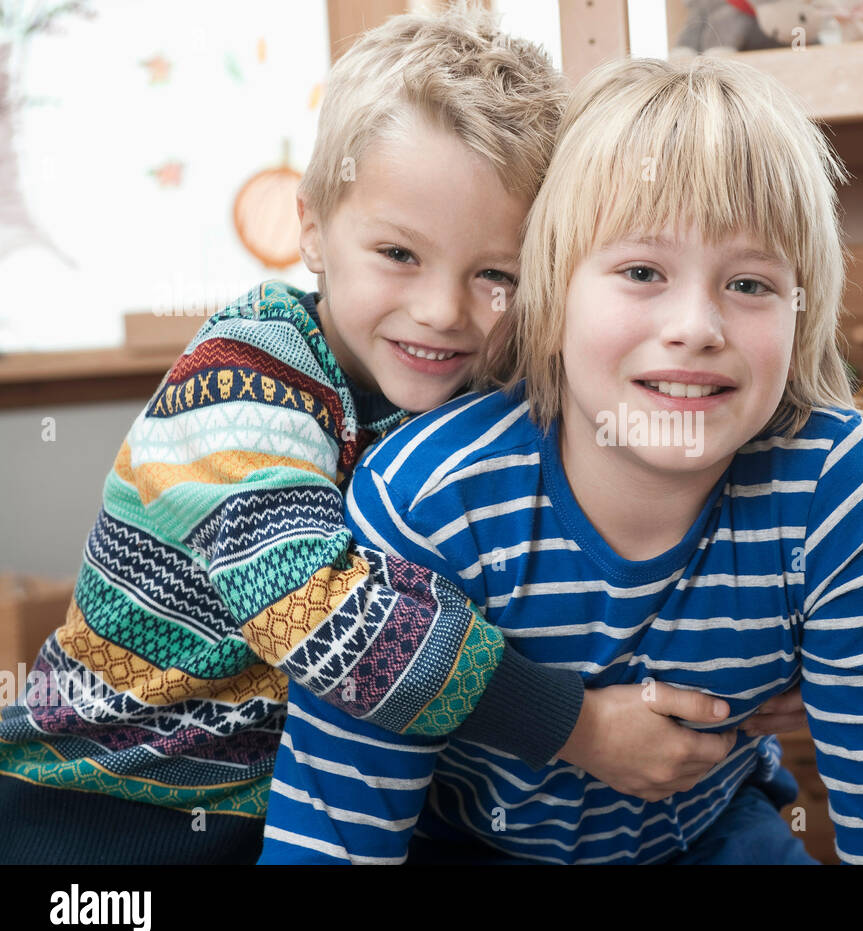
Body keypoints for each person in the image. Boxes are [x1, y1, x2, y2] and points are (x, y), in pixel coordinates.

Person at [0, 5, 793, 865]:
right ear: (310, 228)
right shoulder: (246, 372)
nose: (443, 311)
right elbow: (315, 612)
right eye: (398, 254)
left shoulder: (496, 400)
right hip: (102, 807)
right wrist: (574, 727)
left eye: (497, 274)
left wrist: (748, 681)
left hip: (339, 806)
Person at [260, 53, 863, 865]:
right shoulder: (432, 496)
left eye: (750, 285)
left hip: (711, 835)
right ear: (550, 295)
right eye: (642, 271)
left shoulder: (834, 484)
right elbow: (335, 833)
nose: (696, 326)